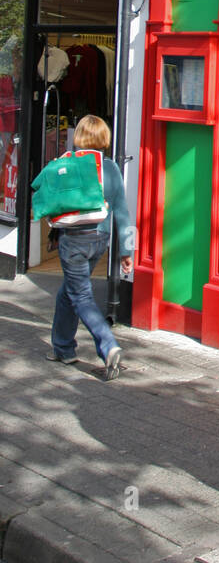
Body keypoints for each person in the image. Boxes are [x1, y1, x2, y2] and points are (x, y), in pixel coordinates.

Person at [47, 115, 134, 381]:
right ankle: (63, 347)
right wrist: (126, 252)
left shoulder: (67, 164)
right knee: (70, 291)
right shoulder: (110, 168)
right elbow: (122, 212)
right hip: (99, 240)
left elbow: (53, 204)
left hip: (74, 239)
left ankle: (108, 345)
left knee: (80, 296)